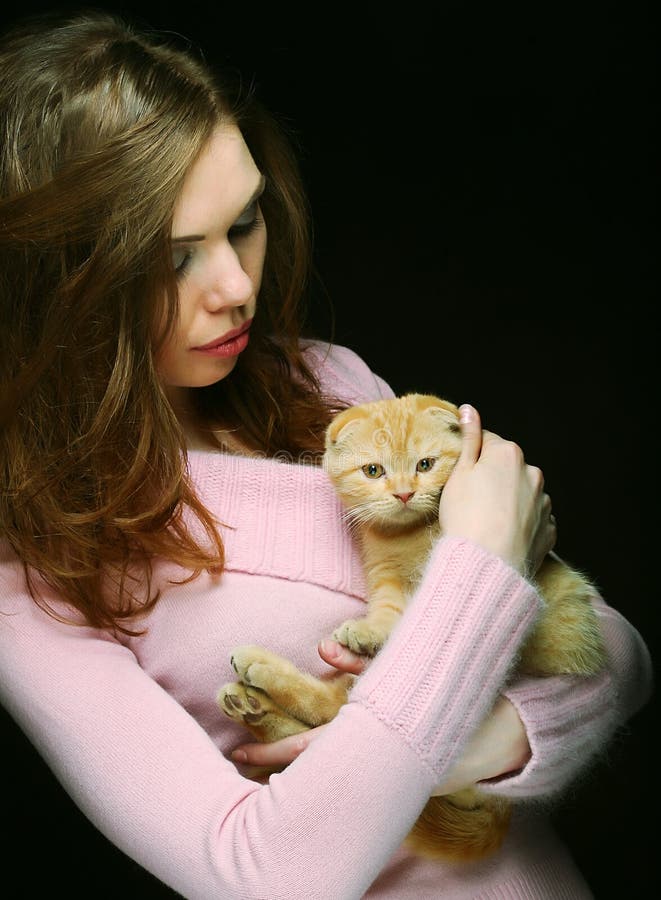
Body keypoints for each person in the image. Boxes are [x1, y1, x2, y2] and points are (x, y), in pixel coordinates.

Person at [0, 9, 652, 899]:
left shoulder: (324, 384)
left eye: (244, 223)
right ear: (57, 282)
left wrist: (486, 740)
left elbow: (615, 652)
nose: (237, 287)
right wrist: (483, 566)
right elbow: (269, 874)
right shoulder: (31, 566)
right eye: (173, 258)